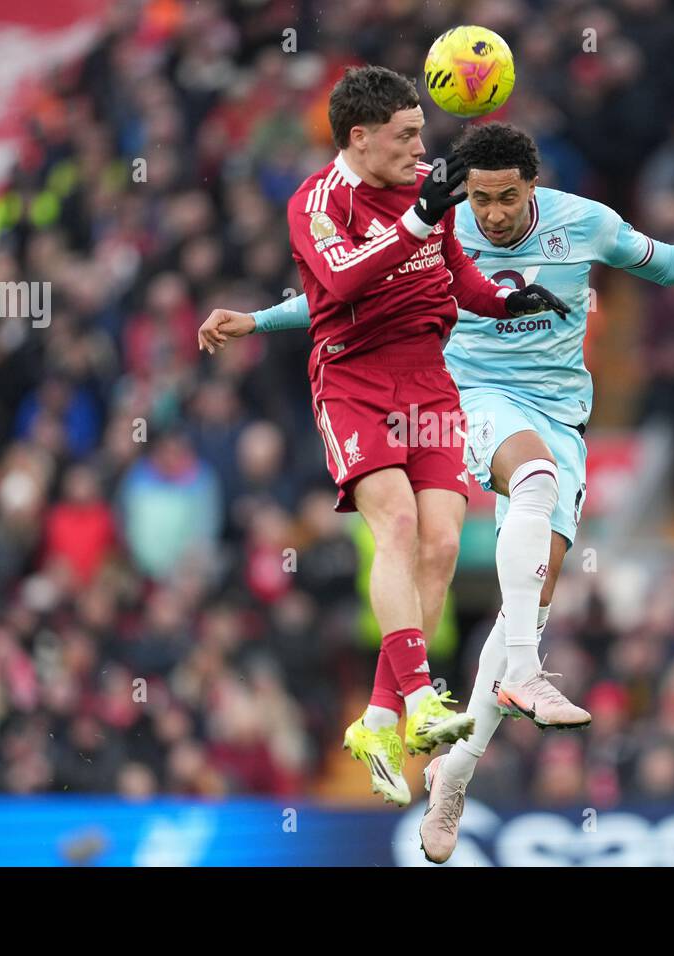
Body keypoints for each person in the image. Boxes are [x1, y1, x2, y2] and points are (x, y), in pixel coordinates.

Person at [202, 121, 674, 855]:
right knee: (532, 476)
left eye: (506, 197)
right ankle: (524, 669)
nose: (491, 213)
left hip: (564, 412)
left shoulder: (582, 222)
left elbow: (664, 263)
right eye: (482, 198)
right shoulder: (440, 227)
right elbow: (343, 295)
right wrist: (259, 319)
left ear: (532, 185)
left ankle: (454, 778)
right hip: (471, 395)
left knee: (536, 588)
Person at [201, 71, 568, 806]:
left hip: (428, 380)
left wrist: (507, 298)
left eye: (421, 132)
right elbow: (336, 286)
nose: (420, 146)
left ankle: (377, 717)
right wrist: (418, 220)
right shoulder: (315, 202)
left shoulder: (428, 185)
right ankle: (420, 697)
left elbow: (453, 271)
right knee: (396, 525)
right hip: (355, 382)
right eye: (406, 135)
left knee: (438, 541)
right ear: (359, 138)